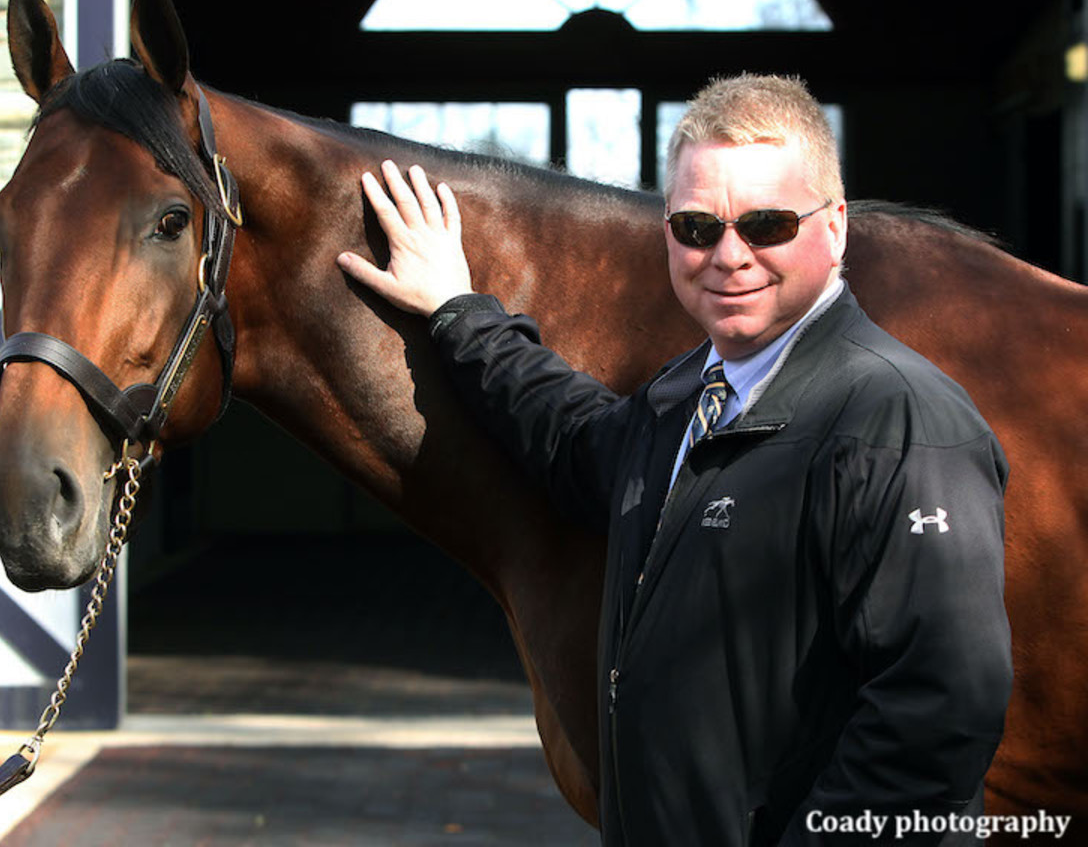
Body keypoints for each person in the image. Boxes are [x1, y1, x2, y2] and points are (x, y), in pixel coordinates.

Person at [336, 74, 1012, 846]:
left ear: (836, 228)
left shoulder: (899, 420)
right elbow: (579, 441)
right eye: (696, 227)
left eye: (766, 224)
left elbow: (940, 715)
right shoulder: (689, 395)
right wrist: (458, 311)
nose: (728, 256)